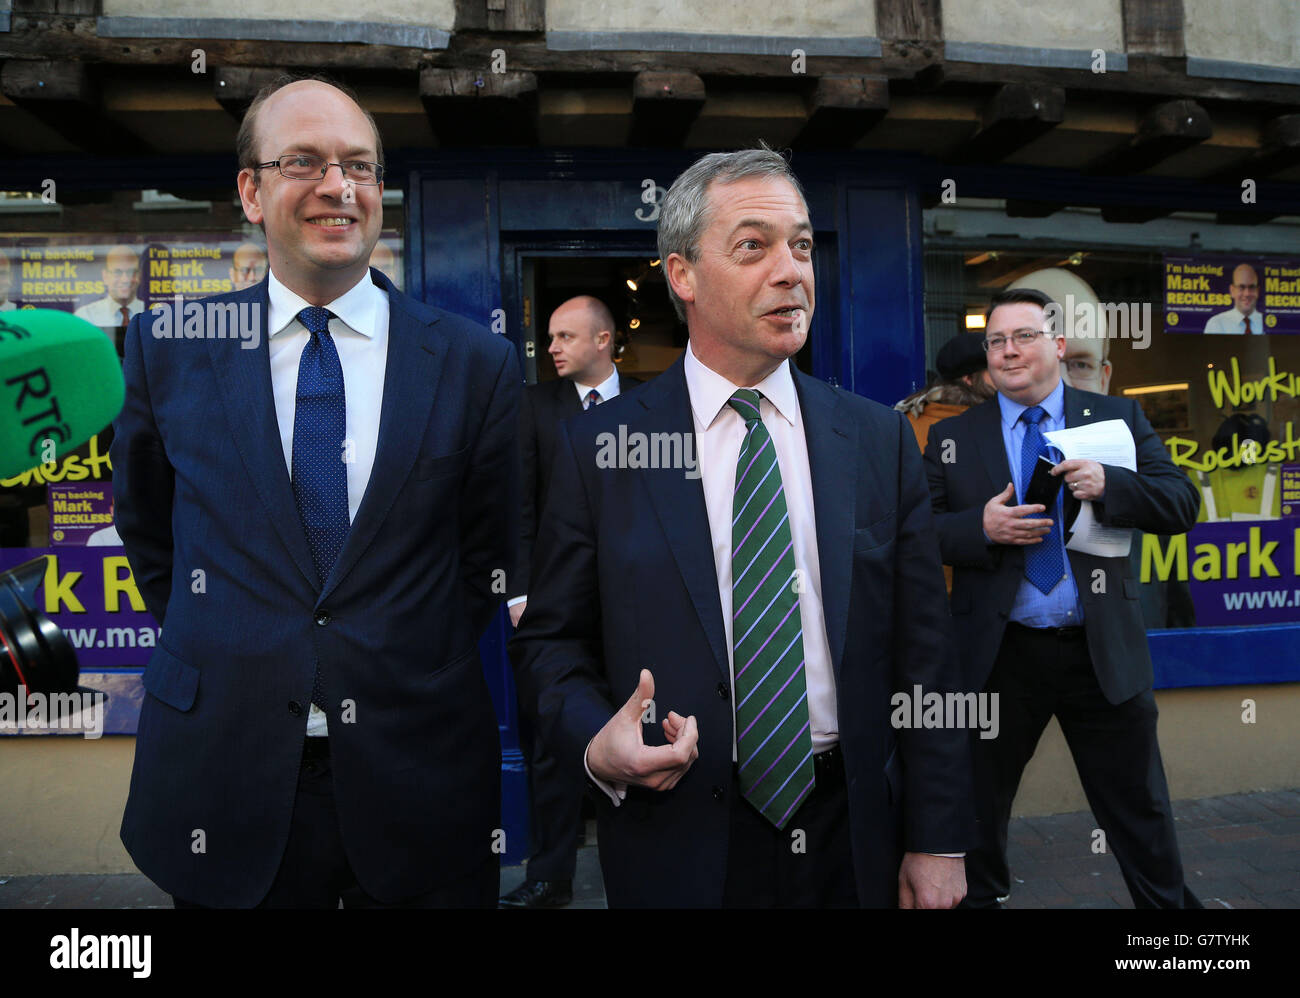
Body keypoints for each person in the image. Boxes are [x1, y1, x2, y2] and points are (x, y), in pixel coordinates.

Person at [510, 147, 972, 908]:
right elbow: (550, 641)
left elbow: (927, 653)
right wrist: (598, 739)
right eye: (754, 246)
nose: (791, 270)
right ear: (682, 275)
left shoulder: (876, 439)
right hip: (679, 841)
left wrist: (938, 837)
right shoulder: (602, 448)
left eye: (801, 244)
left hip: (852, 837)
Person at [111, 75, 519, 908]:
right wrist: (242, 636)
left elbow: (490, 556)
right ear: (251, 192)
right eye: (304, 162)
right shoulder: (170, 345)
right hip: (226, 771)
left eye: (360, 167)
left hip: (418, 773)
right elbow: (151, 530)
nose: (339, 186)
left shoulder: (477, 364)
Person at [923, 287, 1202, 909]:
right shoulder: (954, 437)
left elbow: (1183, 503)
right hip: (998, 660)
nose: (1008, 351)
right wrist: (980, 529)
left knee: (1140, 813)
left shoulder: (1115, 420)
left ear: (1056, 345)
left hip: (1099, 655)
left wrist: (1113, 484)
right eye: (996, 341)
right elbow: (914, 531)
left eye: (1023, 336)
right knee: (977, 814)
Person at [500, 294, 640, 909]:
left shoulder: (653, 402)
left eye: (564, 337)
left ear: (604, 340)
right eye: (549, 337)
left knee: (643, 730)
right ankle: (550, 875)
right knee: (554, 741)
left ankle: (638, 876)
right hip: (556, 607)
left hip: (635, 600)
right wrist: (522, 592)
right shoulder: (533, 407)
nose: (550, 347)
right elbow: (516, 506)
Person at [895, 331, 995, 451]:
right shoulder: (975, 422)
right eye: (993, 371)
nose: (1002, 377)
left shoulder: (911, 415)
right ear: (969, 379)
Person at [74, 245, 144, 329]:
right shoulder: (86, 315)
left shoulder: (152, 313)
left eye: (131, 272)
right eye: (117, 272)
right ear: (105, 276)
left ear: (139, 276)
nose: (125, 280)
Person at [1204, 264, 1263, 335]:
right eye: (1241, 287)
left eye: (1252, 287)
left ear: (1258, 291)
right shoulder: (1216, 324)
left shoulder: (1268, 323)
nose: (1247, 293)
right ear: (1232, 290)